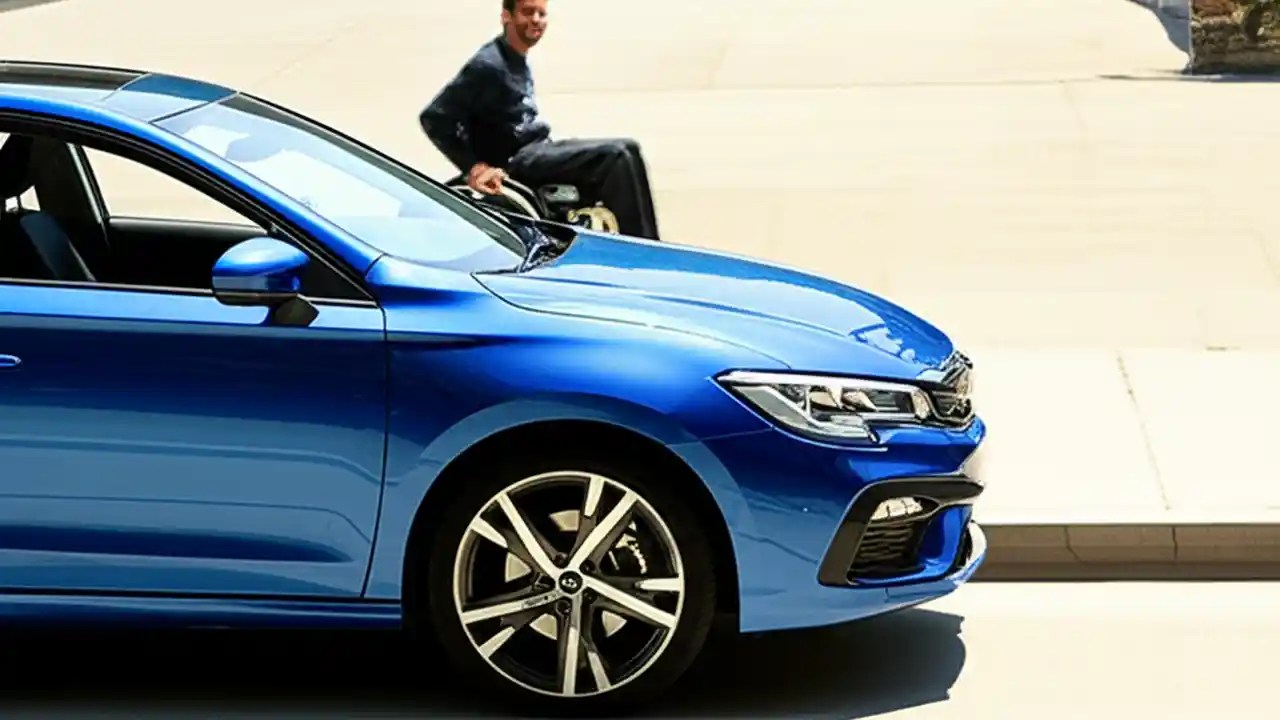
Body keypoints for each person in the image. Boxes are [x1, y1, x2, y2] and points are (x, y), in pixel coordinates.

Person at [418, 0, 661, 241]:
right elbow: (435, 117)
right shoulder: (488, 65)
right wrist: (473, 167)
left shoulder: (515, 57)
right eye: (527, 12)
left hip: (538, 148)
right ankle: (643, 250)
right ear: (506, 16)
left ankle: (651, 244)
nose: (536, 19)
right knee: (616, 156)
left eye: (541, 13)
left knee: (630, 148)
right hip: (518, 159)